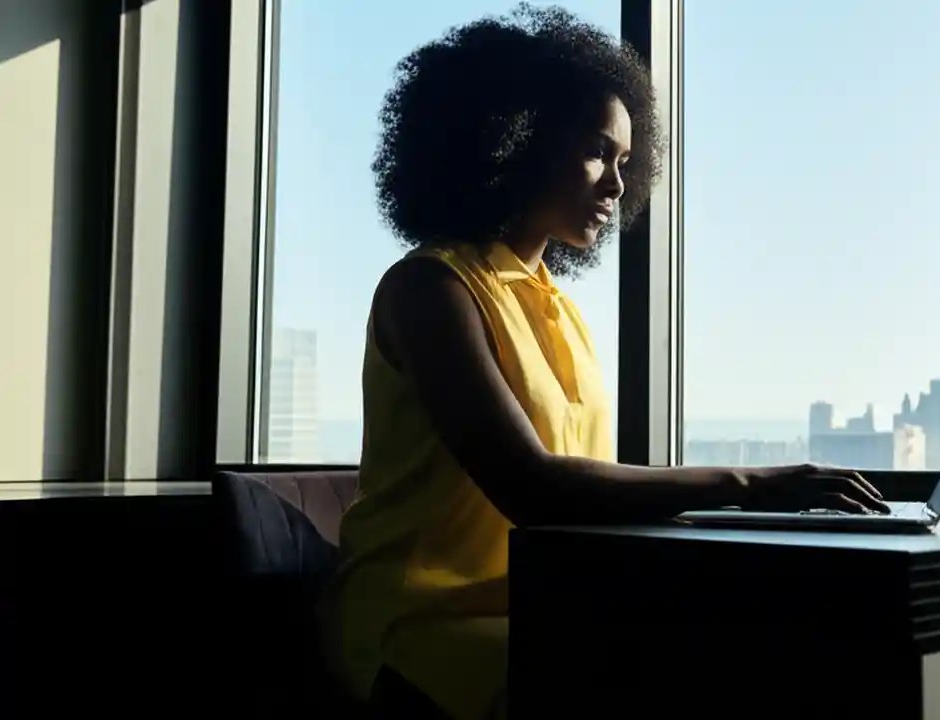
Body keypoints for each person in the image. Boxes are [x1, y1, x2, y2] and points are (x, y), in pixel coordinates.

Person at [319, 5, 888, 718]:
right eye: (596, 151)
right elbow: (533, 486)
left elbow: (584, 490)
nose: (619, 188)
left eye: (625, 162)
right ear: (516, 139)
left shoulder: (557, 308)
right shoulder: (429, 289)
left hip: (545, 602)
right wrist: (751, 481)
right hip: (424, 623)